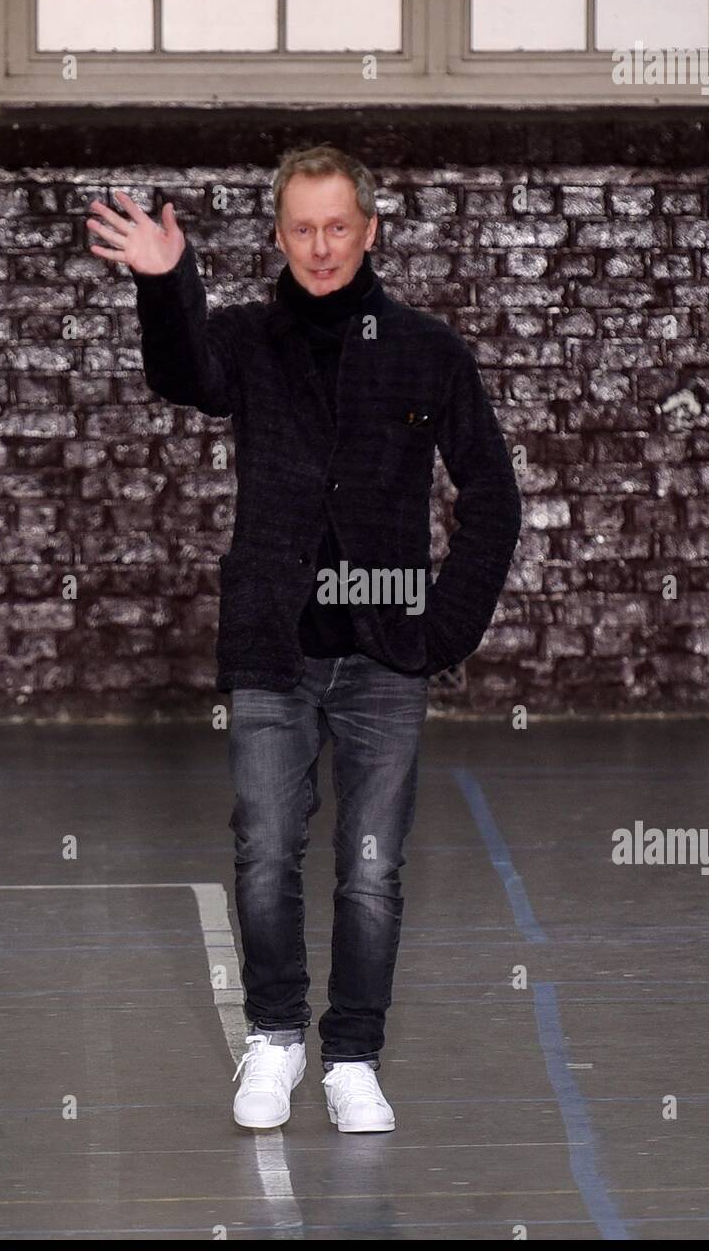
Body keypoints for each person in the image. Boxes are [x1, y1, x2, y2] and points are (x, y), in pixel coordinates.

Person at [86, 144, 521, 1134]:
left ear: (367, 230)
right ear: (276, 237)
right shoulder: (246, 340)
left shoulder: (426, 351)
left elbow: (490, 499)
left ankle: (353, 1055)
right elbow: (180, 373)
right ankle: (277, 1038)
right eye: (299, 229)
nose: (319, 248)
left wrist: (440, 629)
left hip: (383, 656)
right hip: (270, 649)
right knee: (266, 850)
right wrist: (166, 285)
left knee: (370, 865)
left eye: (336, 227)